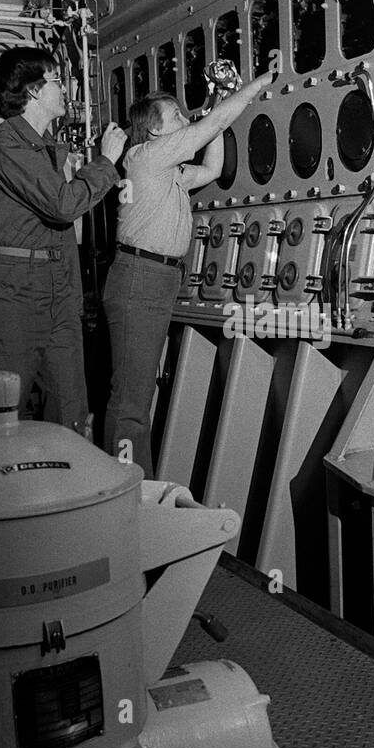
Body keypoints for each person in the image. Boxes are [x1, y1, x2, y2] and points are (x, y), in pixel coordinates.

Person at [103, 58, 280, 475]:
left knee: (137, 393)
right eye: (176, 115)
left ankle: (132, 481)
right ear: (156, 131)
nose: (186, 118)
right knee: (130, 400)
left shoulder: (164, 170)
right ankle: (128, 487)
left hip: (154, 280)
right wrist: (259, 82)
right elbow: (209, 125)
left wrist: (218, 103)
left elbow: (214, 166)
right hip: (140, 281)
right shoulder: (146, 156)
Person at [0, 46, 125, 431]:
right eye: (56, 80)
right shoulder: (3, 145)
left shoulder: (43, 150)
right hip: (12, 293)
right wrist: (105, 161)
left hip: (56, 289)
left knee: (71, 409)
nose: (64, 89)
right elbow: (62, 206)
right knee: (1, 410)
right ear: (34, 90)